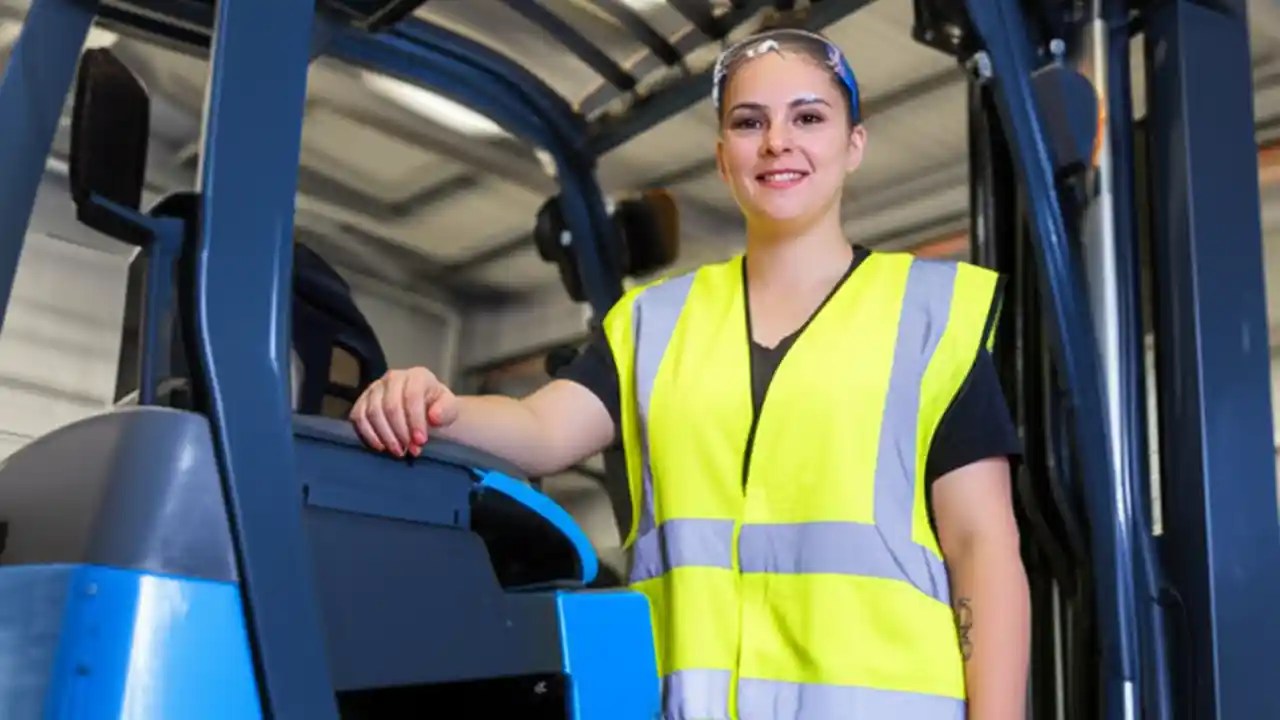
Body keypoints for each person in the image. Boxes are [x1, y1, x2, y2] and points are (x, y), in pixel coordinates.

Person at [350, 28, 1030, 720]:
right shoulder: (654, 322)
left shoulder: (926, 314)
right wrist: (435, 404)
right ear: (722, 156)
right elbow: (542, 427)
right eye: (748, 122)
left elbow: (982, 544)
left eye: (809, 117)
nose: (776, 142)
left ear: (854, 144)